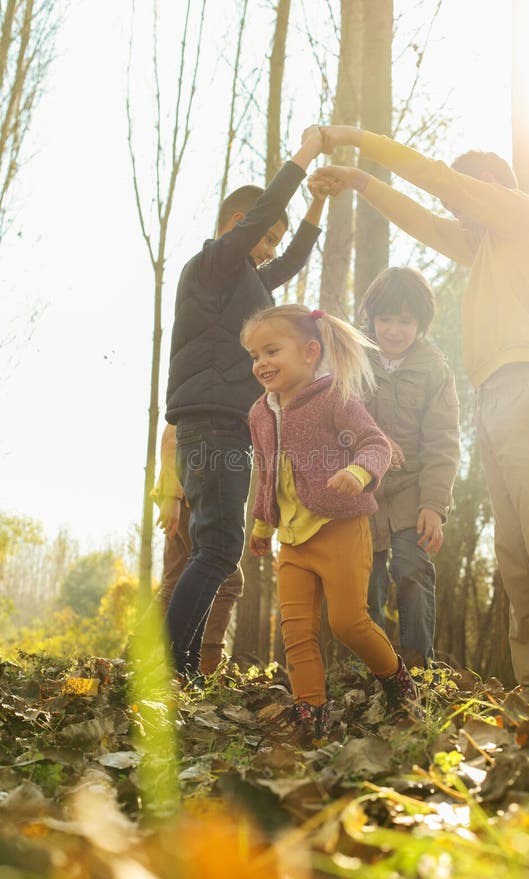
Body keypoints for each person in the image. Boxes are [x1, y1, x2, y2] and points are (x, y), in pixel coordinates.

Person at [309, 124, 529, 699]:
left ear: (487, 186)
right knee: (516, 560)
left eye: (461, 203)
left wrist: (353, 137)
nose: (454, 217)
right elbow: (422, 221)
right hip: (493, 402)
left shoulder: (527, 218)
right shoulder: (485, 246)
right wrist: (363, 182)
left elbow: (437, 182)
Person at [165, 126, 327, 679]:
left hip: (224, 424)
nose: (270, 250)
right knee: (217, 549)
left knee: (213, 548)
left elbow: (291, 264)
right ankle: (175, 668)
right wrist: (306, 155)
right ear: (239, 225)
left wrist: (317, 203)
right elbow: (262, 218)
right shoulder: (213, 265)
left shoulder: (243, 282)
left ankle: (183, 667)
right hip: (211, 420)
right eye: (266, 238)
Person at [242, 303, 419, 742]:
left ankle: (397, 681)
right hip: (292, 539)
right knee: (296, 629)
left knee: (348, 623)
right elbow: (266, 473)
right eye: (254, 356)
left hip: (340, 527)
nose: (261, 363)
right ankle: (312, 712)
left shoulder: (334, 397)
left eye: (271, 351)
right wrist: (263, 524)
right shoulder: (259, 414)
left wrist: (358, 472)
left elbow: (375, 444)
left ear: (309, 352)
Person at [360, 267, 460, 664]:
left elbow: (443, 441)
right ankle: (371, 668)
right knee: (366, 579)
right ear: (372, 317)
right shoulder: (355, 359)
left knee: (412, 570)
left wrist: (434, 505)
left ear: (420, 323)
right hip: (362, 490)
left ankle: (418, 668)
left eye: (405, 321)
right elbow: (336, 421)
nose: (394, 330)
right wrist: (371, 438)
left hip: (412, 491)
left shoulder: (434, 369)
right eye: (385, 319)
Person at [152, 424, 243, 675]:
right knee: (229, 579)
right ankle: (208, 662)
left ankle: (137, 653)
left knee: (174, 581)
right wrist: (173, 495)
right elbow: (172, 438)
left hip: (184, 493)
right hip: (187, 496)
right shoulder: (199, 404)